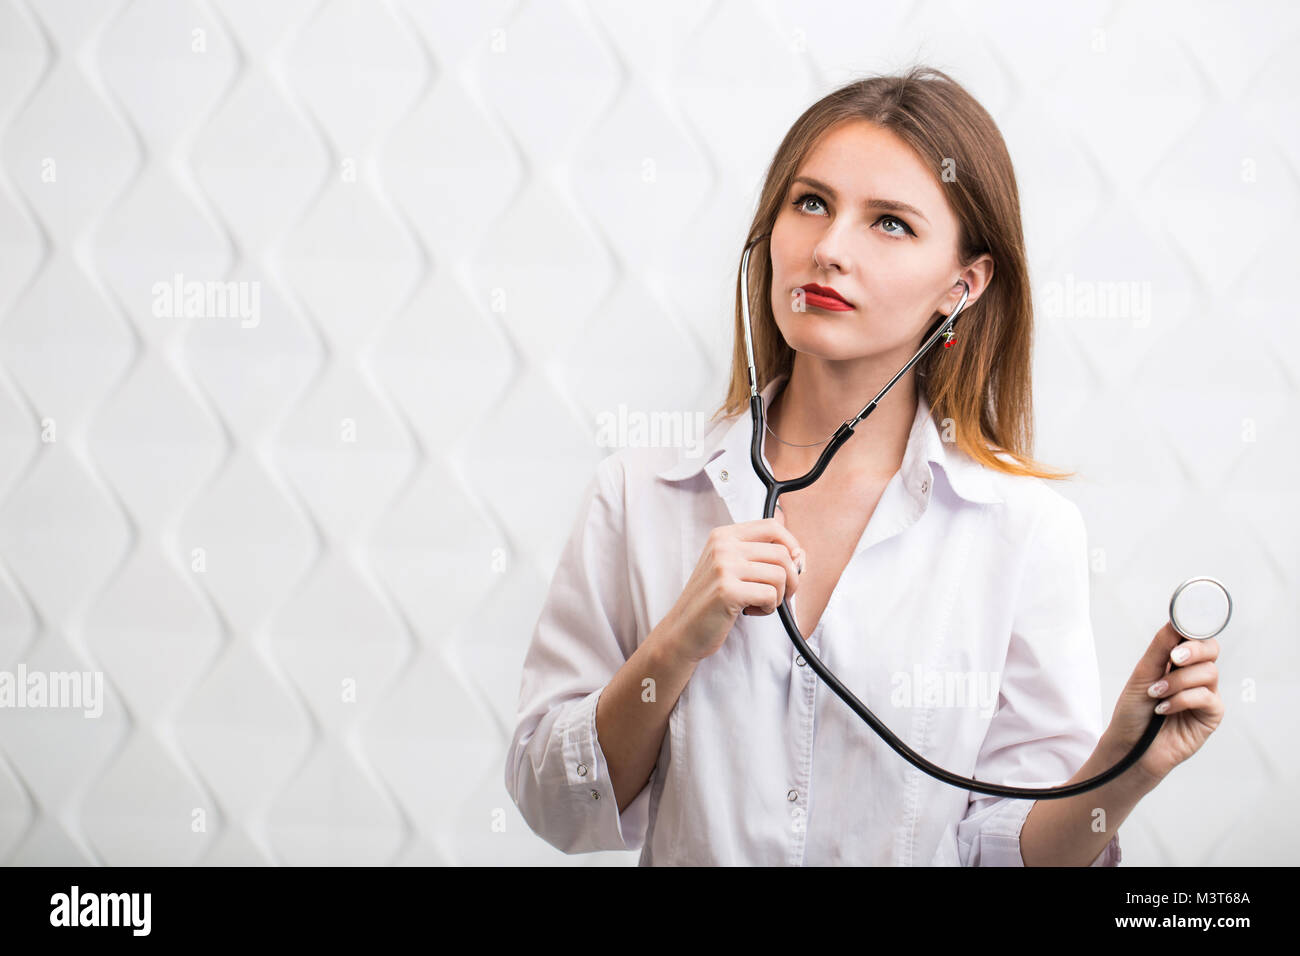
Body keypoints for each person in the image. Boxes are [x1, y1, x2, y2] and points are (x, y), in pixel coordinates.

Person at [504, 66, 1223, 866]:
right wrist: (671, 647)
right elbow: (552, 806)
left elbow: (1009, 854)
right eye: (810, 203)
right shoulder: (639, 495)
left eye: (890, 224)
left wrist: (1127, 768)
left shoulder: (1023, 532)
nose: (829, 249)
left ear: (962, 284)